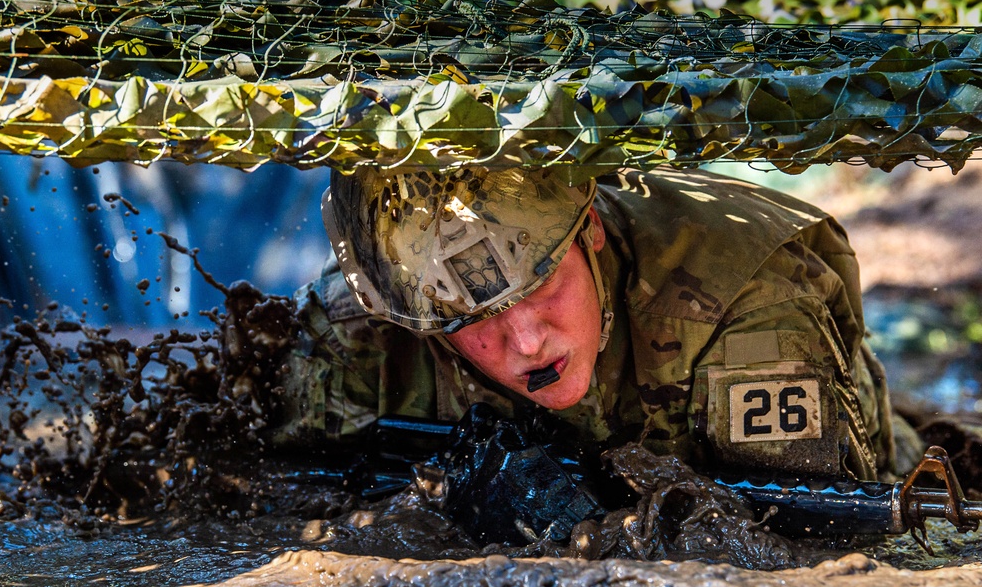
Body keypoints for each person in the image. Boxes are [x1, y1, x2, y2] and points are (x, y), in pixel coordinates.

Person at [278, 165, 917, 483]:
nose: (526, 341)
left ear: (591, 233)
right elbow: (279, 516)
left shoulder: (742, 305)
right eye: (470, 319)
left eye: (544, 285)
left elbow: (808, 556)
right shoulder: (359, 330)